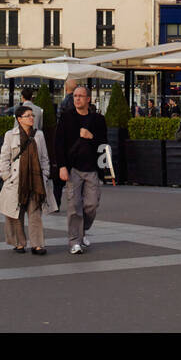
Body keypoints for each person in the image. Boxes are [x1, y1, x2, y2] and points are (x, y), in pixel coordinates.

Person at [53, 85, 107, 255]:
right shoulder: (66, 118)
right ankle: (74, 241)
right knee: (74, 206)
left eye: (81, 96)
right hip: (73, 168)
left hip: (92, 168)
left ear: (88, 99)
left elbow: (104, 143)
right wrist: (61, 166)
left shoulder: (98, 119)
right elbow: (58, 143)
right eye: (75, 96)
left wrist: (91, 137)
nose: (77, 99)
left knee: (91, 205)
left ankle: (82, 231)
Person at [0, 105, 55, 254]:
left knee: (35, 213)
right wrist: (6, 176)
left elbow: (44, 157)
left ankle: (37, 244)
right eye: (28, 116)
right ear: (19, 119)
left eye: (33, 116)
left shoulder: (39, 135)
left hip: (35, 180)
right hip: (16, 180)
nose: (32, 118)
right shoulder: (10, 135)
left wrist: (45, 174)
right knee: (16, 213)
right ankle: (19, 243)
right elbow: (4, 157)